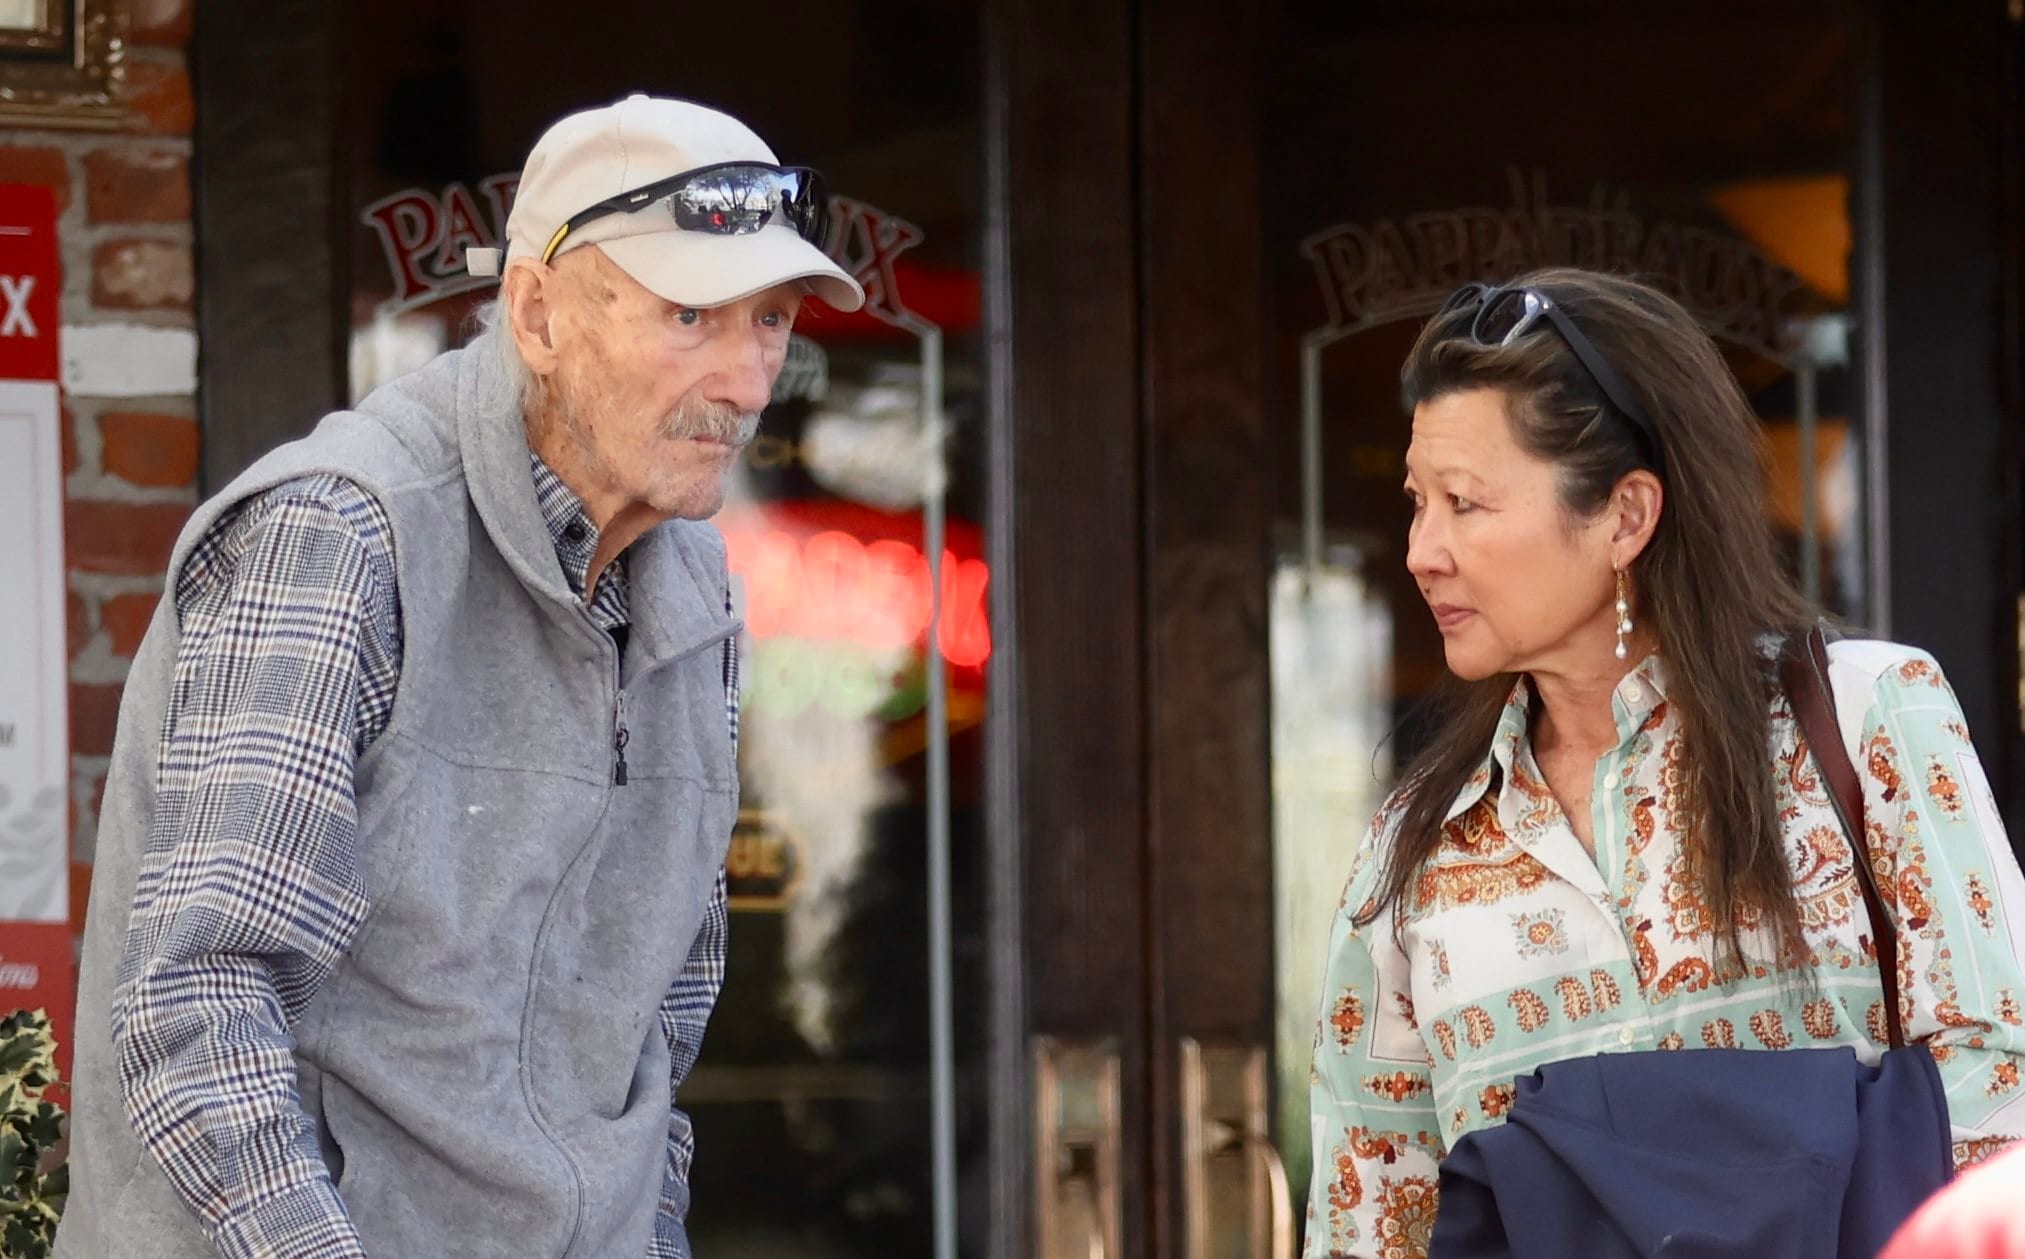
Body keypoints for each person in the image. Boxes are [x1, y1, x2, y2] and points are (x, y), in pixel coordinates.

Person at [55, 94, 864, 1259]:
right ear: (536, 312)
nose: (745, 379)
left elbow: (653, 1041)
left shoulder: (695, 589)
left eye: (771, 320)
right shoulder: (343, 534)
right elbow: (200, 1010)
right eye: (690, 315)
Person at [1301, 268, 2025, 1258]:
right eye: (1418, 501)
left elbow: (2005, 1094)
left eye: (1466, 503)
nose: (1423, 548)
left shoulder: (1865, 719)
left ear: (1626, 516)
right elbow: (1374, 1219)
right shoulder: (1415, 853)